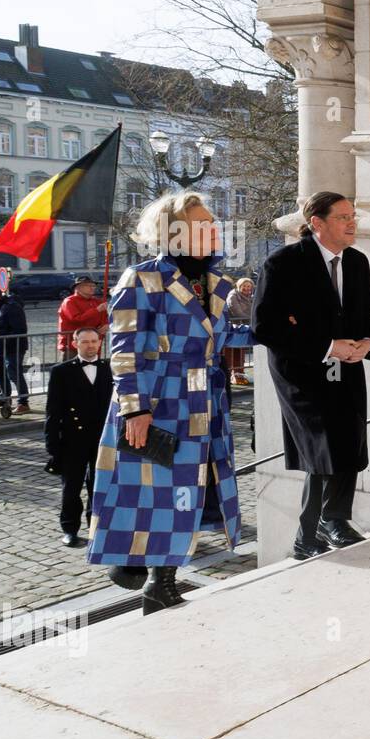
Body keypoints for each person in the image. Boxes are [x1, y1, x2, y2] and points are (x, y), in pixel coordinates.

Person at [86, 191, 255, 615]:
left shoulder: (216, 283)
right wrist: (134, 409)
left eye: (213, 222)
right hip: (158, 405)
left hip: (205, 404)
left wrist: (267, 327)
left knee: (191, 490)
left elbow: (221, 339)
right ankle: (142, 572)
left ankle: (162, 584)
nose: (215, 228)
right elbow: (123, 351)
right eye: (205, 223)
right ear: (174, 232)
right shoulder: (141, 279)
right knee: (155, 495)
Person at [251, 193, 370, 561]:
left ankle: (332, 521)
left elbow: (368, 316)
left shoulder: (357, 262)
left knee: (350, 438)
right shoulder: (283, 262)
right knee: (322, 445)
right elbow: (265, 327)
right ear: (317, 223)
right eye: (342, 217)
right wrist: (327, 346)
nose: (352, 223)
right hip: (300, 371)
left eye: (353, 216)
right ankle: (312, 532)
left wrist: (367, 342)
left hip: (348, 364)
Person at [44, 326, 112, 547]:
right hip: (73, 440)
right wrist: (53, 446)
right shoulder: (61, 371)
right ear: (75, 344)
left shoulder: (110, 368)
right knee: (71, 488)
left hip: (103, 439)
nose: (91, 345)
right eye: (85, 342)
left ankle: (97, 529)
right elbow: (53, 412)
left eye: (94, 341)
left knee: (99, 486)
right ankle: (70, 529)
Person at [0, 285, 31, 415]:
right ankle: (5, 397)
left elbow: (19, 329)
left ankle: (23, 403)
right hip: (0, 346)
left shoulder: (12, 307)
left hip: (14, 347)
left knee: (14, 373)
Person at [57, 275, 108, 361]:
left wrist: (106, 325)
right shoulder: (69, 301)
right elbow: (76, 319)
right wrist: (96, 310)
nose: (92, 288)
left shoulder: (97, 301)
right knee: (70, 371)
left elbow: (106, 317)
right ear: (78, 288)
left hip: (91, 345)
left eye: (93, 286)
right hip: (72, 345)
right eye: (88, 286)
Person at [224, 277, 255, 385]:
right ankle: (227, 376)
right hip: (232, 329)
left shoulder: (251, 297)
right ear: (239, 286)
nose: (247, 288)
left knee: (240, 352)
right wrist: (253, 320)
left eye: (249, 286)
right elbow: (237, 312)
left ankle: (239, 375)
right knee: (230, 352)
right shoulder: (233, 295)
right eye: (245, 286)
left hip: (244, 328)